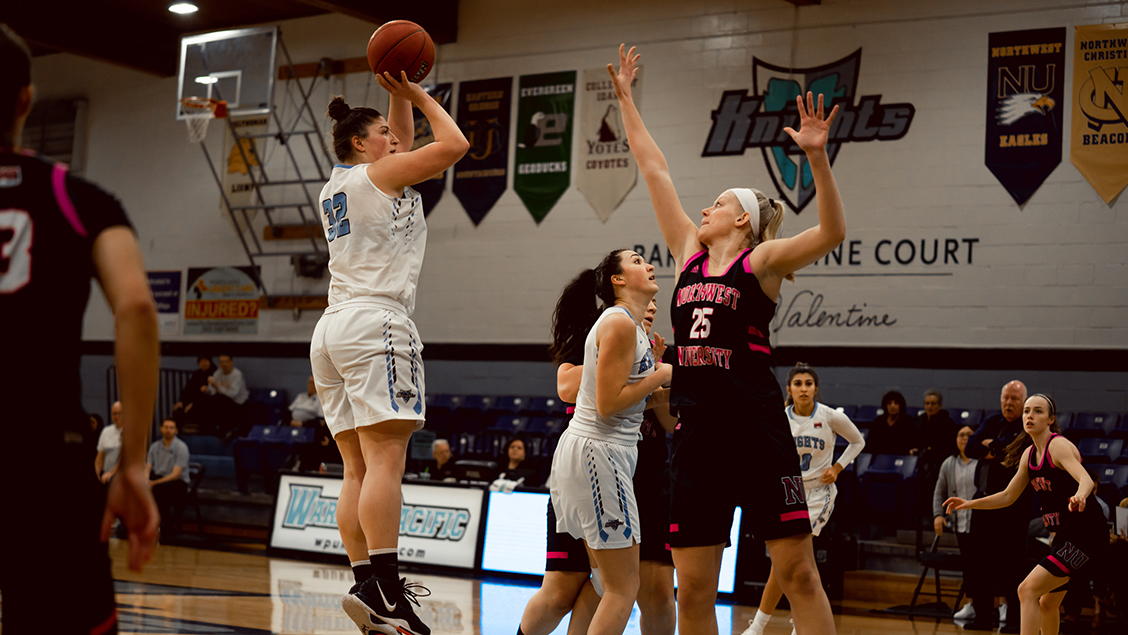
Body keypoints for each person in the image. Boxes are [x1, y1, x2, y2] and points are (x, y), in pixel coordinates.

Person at [608, 44, 845, 634]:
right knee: (692, 590)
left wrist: (817, 158)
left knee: (798, 573)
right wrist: (627, 102)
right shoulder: (689, 254)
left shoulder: (761, 261)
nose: (705, 209)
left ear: (741, 218)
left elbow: (834, 232)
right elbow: (655, 169)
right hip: (696, 433)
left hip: (757, 427)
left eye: (717, 203)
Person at [0, 23, 159, 634]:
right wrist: (134, 465)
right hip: (44, 456)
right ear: (25, 99)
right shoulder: (76, 197)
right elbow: (138, 308)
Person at [310, 70, 468, 635]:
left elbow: (402, 138)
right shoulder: (378, 175)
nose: (395, 139)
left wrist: (397, 100)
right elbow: (454, 146)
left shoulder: (340, 184)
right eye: (383, 132)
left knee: (356, 466)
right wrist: (424, 96)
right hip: (377, 321)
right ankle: (389, 589)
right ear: (360, 142)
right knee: (385, 462)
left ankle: (363, 582)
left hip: (332, 328)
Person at [520, 298, 676, 635]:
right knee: (561, 593)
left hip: (646, 482)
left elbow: (669, 421)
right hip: (592, 475)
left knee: (657, 594)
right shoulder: (596, 341)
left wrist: (654, 370)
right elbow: (567, 388)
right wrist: (650, 373)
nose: (651, 307)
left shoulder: (659, 354)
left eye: (654, 303)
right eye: (644, 301)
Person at [945, 394, 1107, 635]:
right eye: (1027, 411)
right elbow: (1008, 496)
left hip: (1087, 534)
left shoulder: (1058, 445)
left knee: (1026, 590)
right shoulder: (1028, 455)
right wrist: (969, 503)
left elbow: (1085, 479)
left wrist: (1081, 495)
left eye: (1038, 411)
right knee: (1046, 603)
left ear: (1051, 419)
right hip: (1065, 535)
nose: (1030, 415)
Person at [743, 363, 866, 635]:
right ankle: (801, 619)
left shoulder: (830, 416)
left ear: (816, 388)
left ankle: (759, 626)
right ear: (789, 389)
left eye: (808, 384)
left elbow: (858, 442)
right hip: (789, 492)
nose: (803, 388)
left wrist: (838, 467)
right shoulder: (779, 417)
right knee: (798, 563)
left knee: (790, 560)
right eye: (798, 384)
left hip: (818, 493)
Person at [964, 380, 1034, 632]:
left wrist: (989, 446)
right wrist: (989, 446)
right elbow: (970, 446)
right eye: (1006, 398)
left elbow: (1009, 451)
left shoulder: (1026, 428)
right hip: (984, 505)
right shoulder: (993, 422)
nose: (1008, 403)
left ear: (1024, 403)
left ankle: (1014, 624)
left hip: (1012, 509)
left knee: (1011, 567)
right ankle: (984, 618)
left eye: (1015, 399)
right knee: (979, 564)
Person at [932, 425, 979, 620]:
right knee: (969, 565)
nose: (964, 438)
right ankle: (972, 603)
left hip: (981, 522)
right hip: (961, 523)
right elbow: (939, 491)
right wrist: (938, 515)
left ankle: (1002, 604)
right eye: (961, 435)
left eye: (969, 435)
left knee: (987, 565)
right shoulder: (949, 464)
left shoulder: (981, 462)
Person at [146, 419, 191, 530]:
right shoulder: (154, 446)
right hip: (159, 478)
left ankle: (163, 523)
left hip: (178, 482)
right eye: (166, 427)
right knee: (138, 486)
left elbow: (175, 475)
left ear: (176, 430)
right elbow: (147, 467)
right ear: (161, 429)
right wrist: (145, 480)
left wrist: (153, 483)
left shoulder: (181, 447)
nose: (168, 430)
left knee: (160, 489)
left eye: (171, 428)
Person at [203, 354, 249, 438]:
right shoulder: (217, 373)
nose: (224, 364)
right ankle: (207, 429)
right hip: (223, 402)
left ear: (231, 362)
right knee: (208, 400)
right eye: (222, 362)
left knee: (221, 400)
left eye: (227, 362)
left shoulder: (237, 374)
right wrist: (208, 390)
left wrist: (217, 386)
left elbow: (232, 394)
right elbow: (213, 392)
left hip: (239, 404)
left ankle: (226, 431)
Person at [865, 390, 920, 456]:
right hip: (879, 458)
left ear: (900, 405)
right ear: (885, 406)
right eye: (889, 403)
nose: (892, 406)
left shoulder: (908, 421)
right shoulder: (878, 421)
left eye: (896, 403)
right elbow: (870, 443)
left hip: (900, 457)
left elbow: (911, 443)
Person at [172, 355, 214, 427]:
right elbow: (188, 390)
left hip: (203, 403)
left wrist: (193, 404)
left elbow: (205, 394)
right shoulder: (196, 374)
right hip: (191, 401)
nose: (203, 363)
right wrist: (182, 402)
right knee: (178, 410)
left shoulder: (214, 374)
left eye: (205, 361)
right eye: (201, 362)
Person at [95, 400, 124, 482]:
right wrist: (97, 474)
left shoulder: (131, 432)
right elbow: (99, 457)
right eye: (114, 414)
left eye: (120, 413)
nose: (117, 416)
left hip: (123, 477)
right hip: (107, 476)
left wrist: (112, 473)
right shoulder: (106, 431)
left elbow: (125, 457)